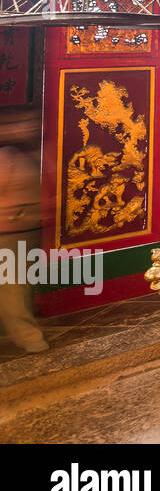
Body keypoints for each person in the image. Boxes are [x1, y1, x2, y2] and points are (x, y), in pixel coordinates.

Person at [0, 109, 46, 353]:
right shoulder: (6, 156)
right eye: (23, 124)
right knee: (13, 286)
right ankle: (29, 337)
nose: (29, 128)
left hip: (25, 229)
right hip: (9, 231)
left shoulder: (28, 154)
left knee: (20, 284)